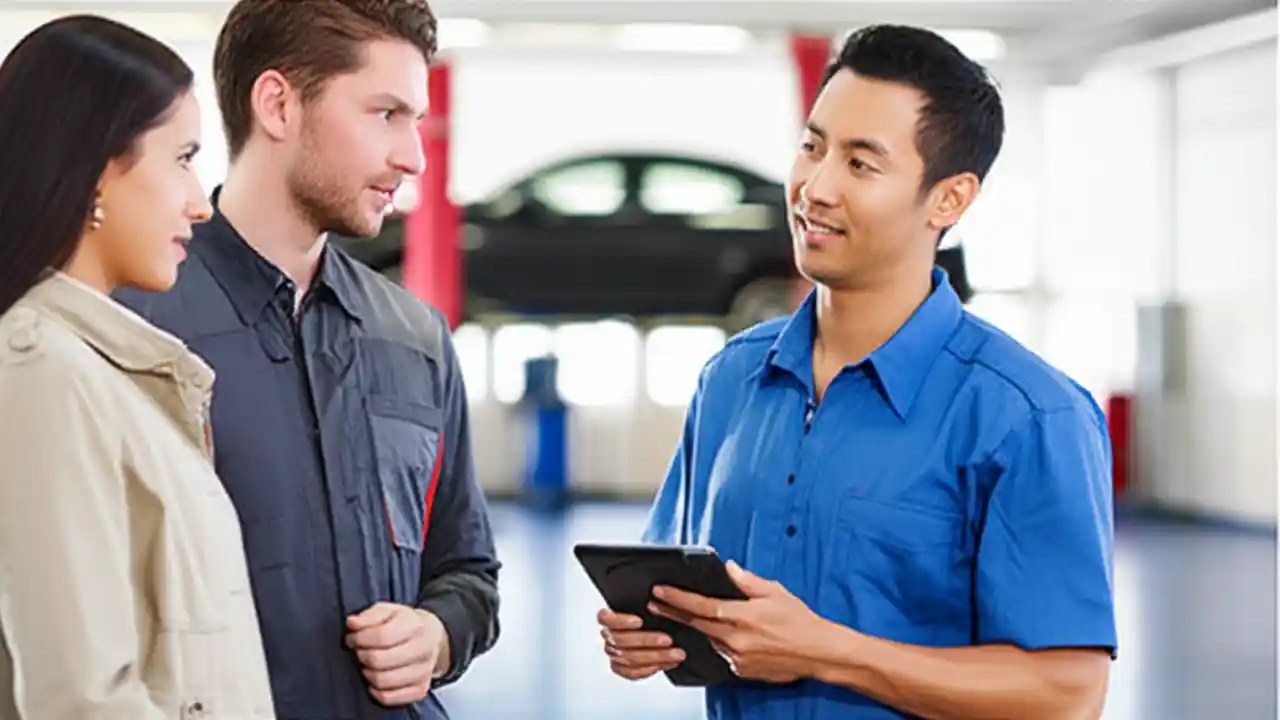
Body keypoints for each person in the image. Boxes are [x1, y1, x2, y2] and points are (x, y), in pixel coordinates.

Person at [597, 25, 1116, 720]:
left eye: (861, 164)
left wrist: (823, 651)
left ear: (949, 200)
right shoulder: (730, 380)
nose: (815, 187)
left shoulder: (1027, 417)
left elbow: (1067, 695)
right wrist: (651, 636)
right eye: (812, 147)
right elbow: (677, 587)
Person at [115, 1, 499, 718]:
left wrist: (437, 633)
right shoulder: (131, 326)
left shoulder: (415, 337)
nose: (413, 155)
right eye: (385, 113)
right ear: (278, 105)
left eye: (415, 120)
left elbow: (467, 570)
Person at [0, 15, 274, 719]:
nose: (197, 201)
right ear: (97, 171)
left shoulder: (104, 371)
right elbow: (79, 701)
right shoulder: (42, 373)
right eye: (182, 158)